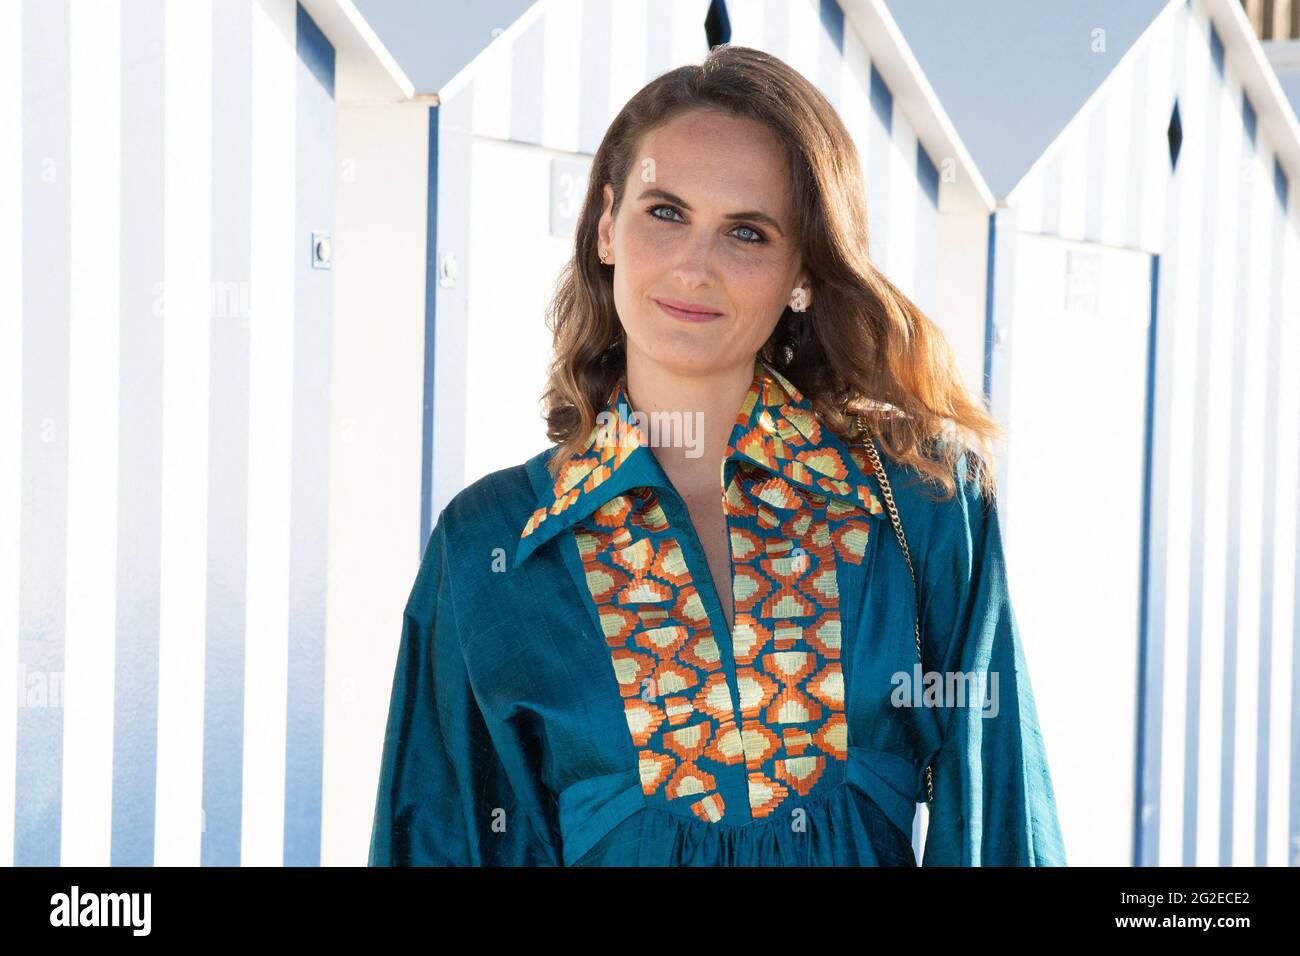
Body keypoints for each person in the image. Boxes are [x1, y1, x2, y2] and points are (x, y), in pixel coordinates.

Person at [368, 44, 1065, 867]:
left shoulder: (923, 501)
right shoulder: (492, 546)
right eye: (665, 211)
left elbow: (998, 823)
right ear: (604, 226)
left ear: (802, 272)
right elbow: (440, 843)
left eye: (747, 232)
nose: (695, 267)